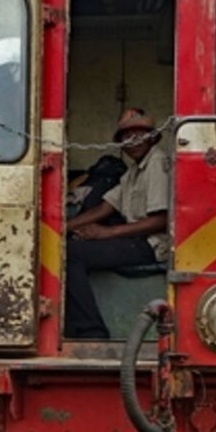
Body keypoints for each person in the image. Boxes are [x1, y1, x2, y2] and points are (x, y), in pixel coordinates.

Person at [64, 108, 170, 339]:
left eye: (138, 134)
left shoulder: (157, 163)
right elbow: (106, 207)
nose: (132, 140)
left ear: (152, 137)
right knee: (65, 246)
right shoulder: (132, 172)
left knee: (70, 255)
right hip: (133, 239)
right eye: (126, 136)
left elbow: (161, 220)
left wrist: (106, 233)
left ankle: (91, 331)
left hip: (150, 245)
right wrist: (63, 228)